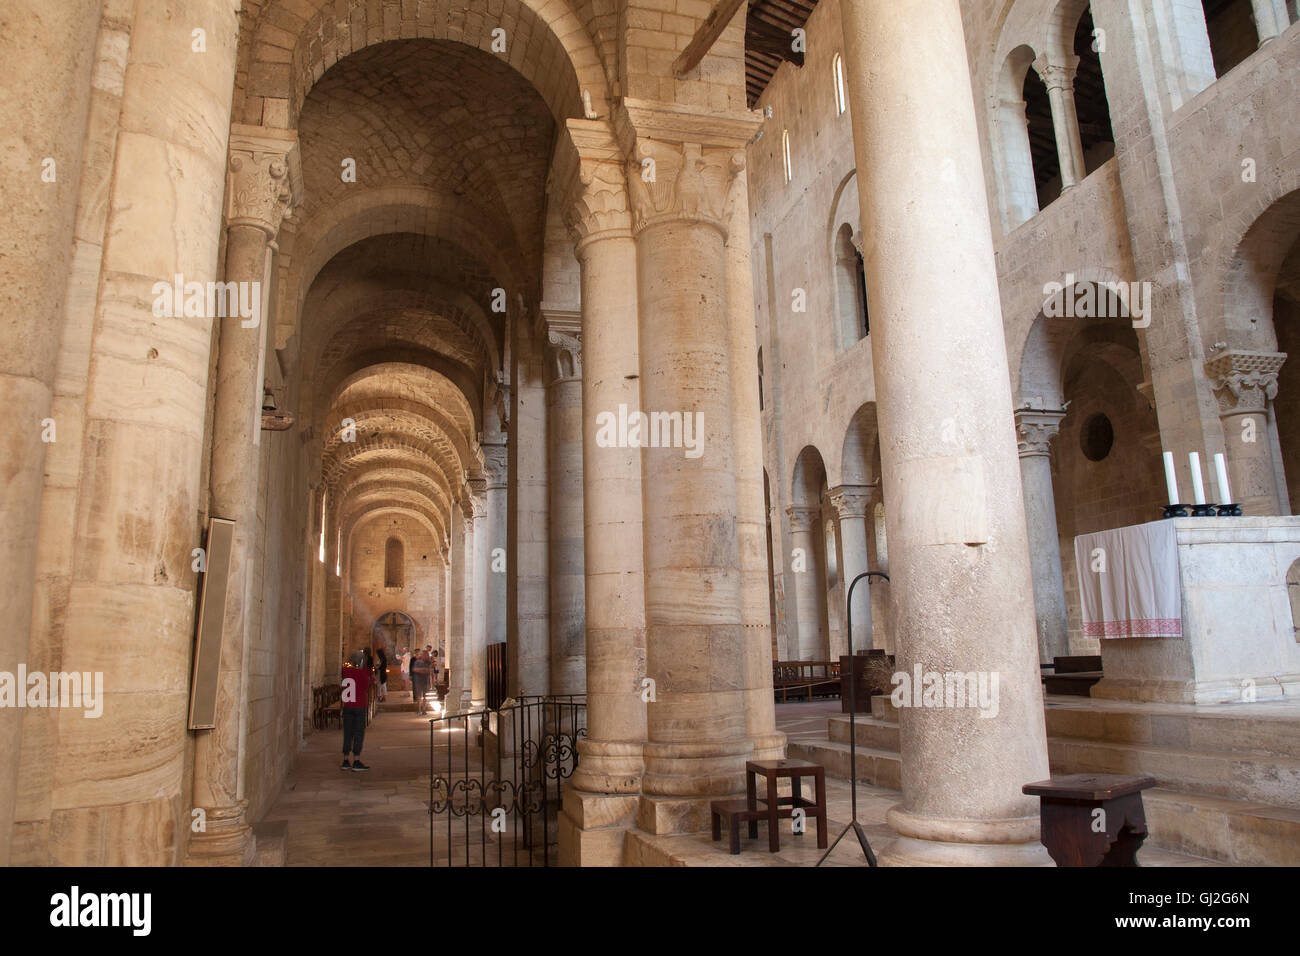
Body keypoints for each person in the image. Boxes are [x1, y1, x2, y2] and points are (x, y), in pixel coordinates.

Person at [340, 650, 371, 771]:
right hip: (359, 705)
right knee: (358, 733)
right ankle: (356, 760)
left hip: (347, 705)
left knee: (347, 732)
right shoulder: (363, 673)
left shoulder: (345, 671)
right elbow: (366, 686)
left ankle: (345, 759)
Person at [410, 649, 431, 715]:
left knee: (425, 696)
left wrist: (423, 670)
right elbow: (415, 669)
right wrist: (423, 670)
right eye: (425, 655)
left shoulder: (427, 663)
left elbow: (429, 670)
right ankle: (419, 710)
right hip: (418, 681)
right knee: (419, 696)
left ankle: (424, 709)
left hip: (425, 680)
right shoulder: (417, 662)